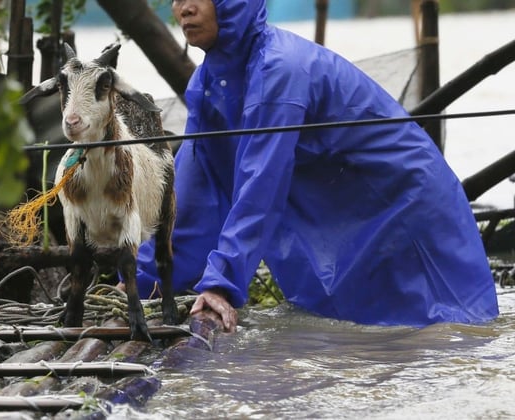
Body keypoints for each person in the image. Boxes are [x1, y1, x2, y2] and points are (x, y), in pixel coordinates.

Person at [129, 0, 499, 330]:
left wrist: (220, 284)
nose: (184, 9)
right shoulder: (206, 82)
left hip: (404, 203)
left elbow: (261, 183)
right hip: (349, 208)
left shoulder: (280, 69)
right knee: (363, 332)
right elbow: (197, 190)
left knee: (449, 332)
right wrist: (145, 279)